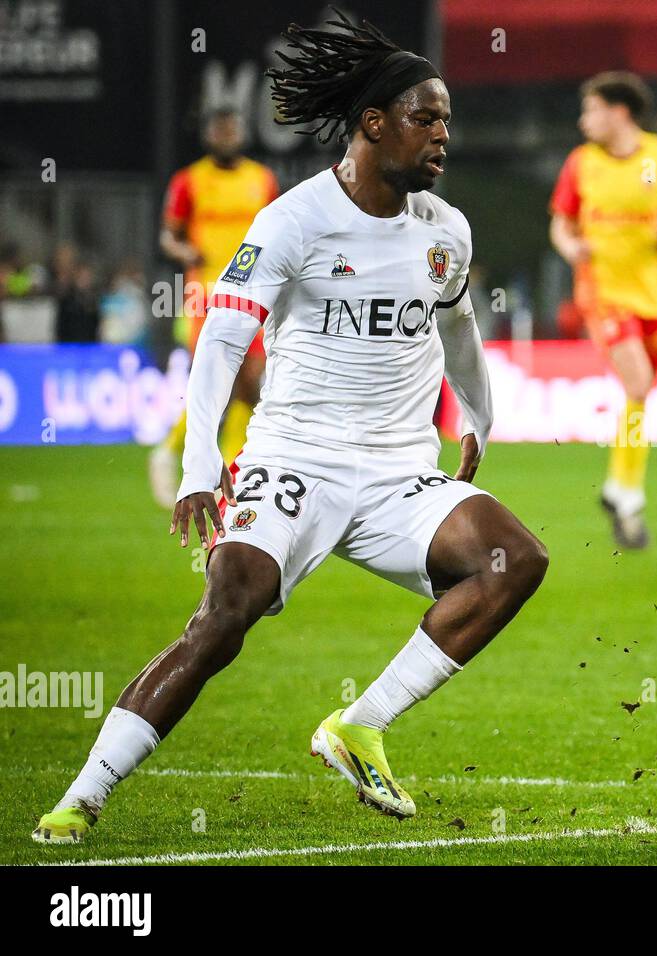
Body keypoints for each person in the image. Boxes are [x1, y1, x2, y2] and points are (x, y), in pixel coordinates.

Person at [32, 11, 547, 844]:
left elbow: (458, 331)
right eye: (427, 117)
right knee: (227, 609)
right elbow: (220, 344)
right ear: (373, 125)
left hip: (396, 472)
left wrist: (480, 414)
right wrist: (202, 466)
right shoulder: (292, 222)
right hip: (295, 457)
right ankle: (83, 795)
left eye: (448, 117)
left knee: (512, 559)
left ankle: (360, 724)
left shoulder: (444, 231)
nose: (443, 134)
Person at [549, 72, 657, 548]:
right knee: (637, 382)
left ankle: (622, 487)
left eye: (591, 110)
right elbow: (560, 224)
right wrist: (570, 248)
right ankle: (630, 497)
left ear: (619, 112)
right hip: (603, 293)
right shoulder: (581, 164)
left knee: (638, 397)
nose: (584, 121)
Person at [148, 108, 279, 508]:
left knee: (251, 386)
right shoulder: (190, 180)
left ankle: (234, 468)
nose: (226, 136)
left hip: (255, 290)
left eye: (232, 128)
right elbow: (168, 236)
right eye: (219, 129)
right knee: (214, 381)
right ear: (208, 136)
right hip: (205, 294)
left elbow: (279, 229)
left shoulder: (262, 179)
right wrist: (186, 249)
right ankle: (169, 450)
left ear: (241, 133)